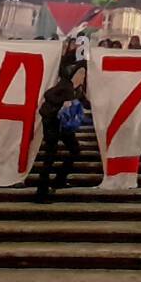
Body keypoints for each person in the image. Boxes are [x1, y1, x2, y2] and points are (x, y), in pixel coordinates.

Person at [34, 66, 86, 202]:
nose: (83, 76)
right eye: (81, 73)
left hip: (63, 126)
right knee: (50, 155)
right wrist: (63, 102)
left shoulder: (78, 89)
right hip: (52, 123)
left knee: (75, 150)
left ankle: (59, 179)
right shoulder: (65, 85)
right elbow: (48, 95)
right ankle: (41, 192)